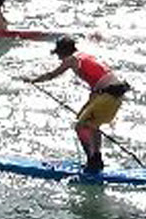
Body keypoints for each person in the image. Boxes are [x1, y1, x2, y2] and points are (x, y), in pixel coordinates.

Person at [25, 37, 128, 176]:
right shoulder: (85, 55)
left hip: (107, 95)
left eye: (58, 54)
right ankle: (96, 159)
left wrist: (33, 80)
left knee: (80, 126)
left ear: (64, 51)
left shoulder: (72, 59)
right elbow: (100, 80)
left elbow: (52, 75)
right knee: (91, 124)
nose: (58, 58)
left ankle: (92, 161)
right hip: (114, 94)